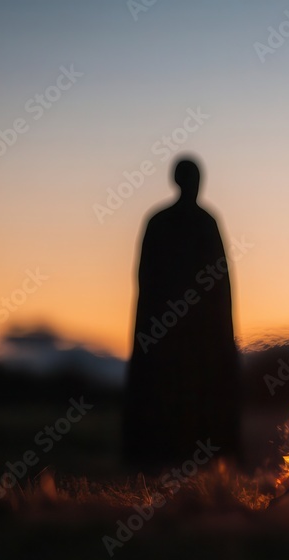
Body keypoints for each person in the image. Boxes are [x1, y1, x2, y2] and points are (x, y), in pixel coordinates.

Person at [123, 156, 242, 467]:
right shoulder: (162, 222)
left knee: (199, 395)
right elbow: (147, 278)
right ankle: (163, 456)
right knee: (168, 394)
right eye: (189, 179)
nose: (193, 186)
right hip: (170, 332)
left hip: (200, 334)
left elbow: (219, 282)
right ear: (178, 181)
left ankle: (201, 456)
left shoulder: (203, 222)